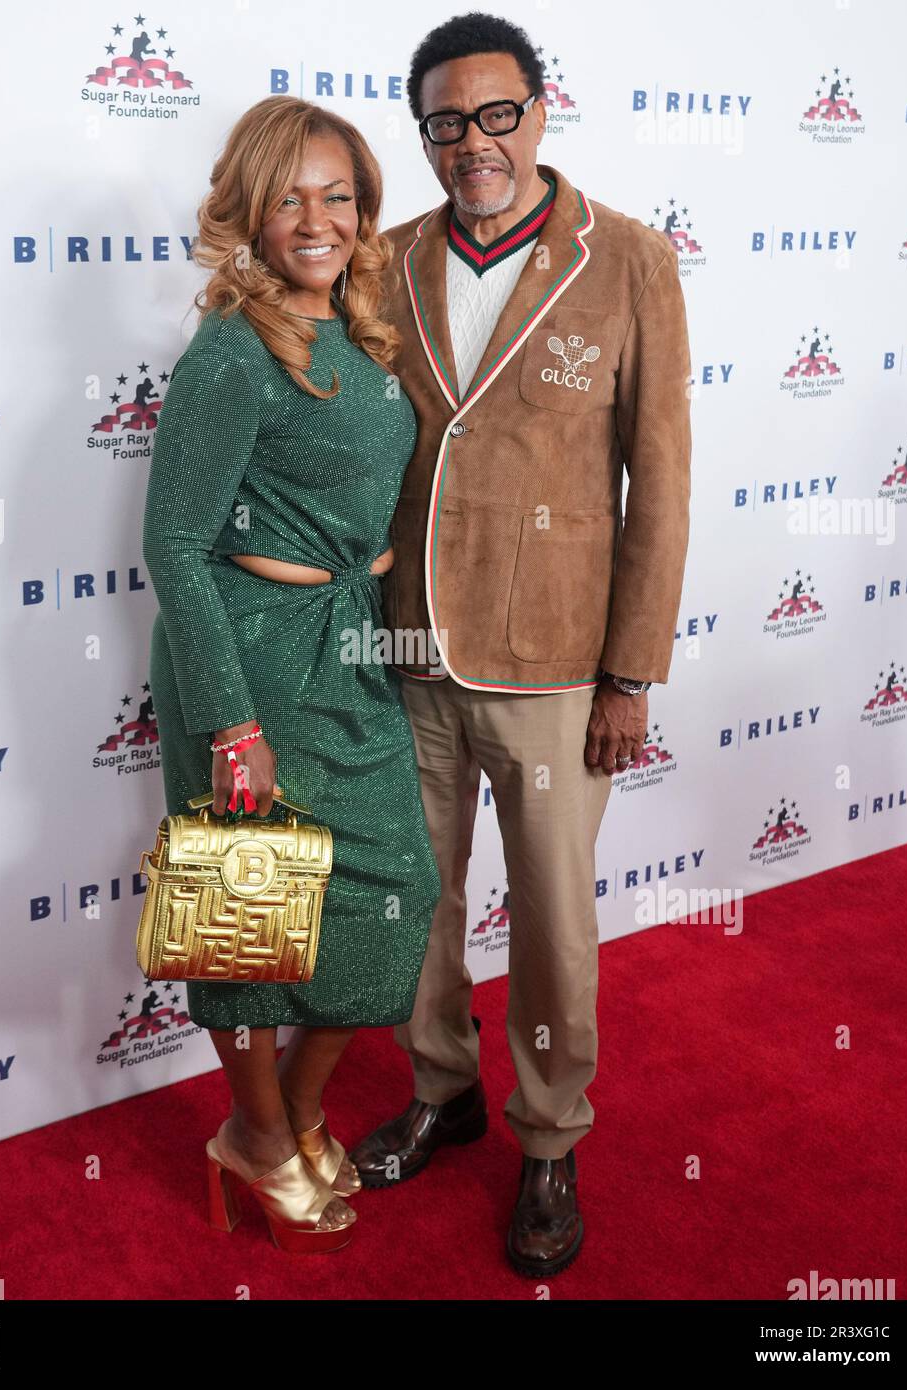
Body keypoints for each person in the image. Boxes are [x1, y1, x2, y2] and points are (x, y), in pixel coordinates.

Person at [350, 12, 692, 1277]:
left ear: (539, 110)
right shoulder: (380, 263)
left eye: (495, 114)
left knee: (550, 919)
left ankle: (548, 1136)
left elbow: (656, 484)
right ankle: (442, 1090)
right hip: (405, 656)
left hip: (556, 668)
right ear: (425, 135)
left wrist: (629, 673)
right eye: (445, 122)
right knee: (412, 902)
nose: (472, 142)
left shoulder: (631, 262)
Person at [141, 95, 441, 1254]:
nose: (315, 218)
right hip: (248, 649)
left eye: (338, 194)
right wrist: (227, 721)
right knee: (245, 911)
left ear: (364, 207)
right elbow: (173, 541)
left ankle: (291, 1114)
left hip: (347, 636)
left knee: (391, 891)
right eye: (287, 197)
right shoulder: (231, 350)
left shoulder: (361, 329)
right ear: (250, 213)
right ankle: (260, 1136)